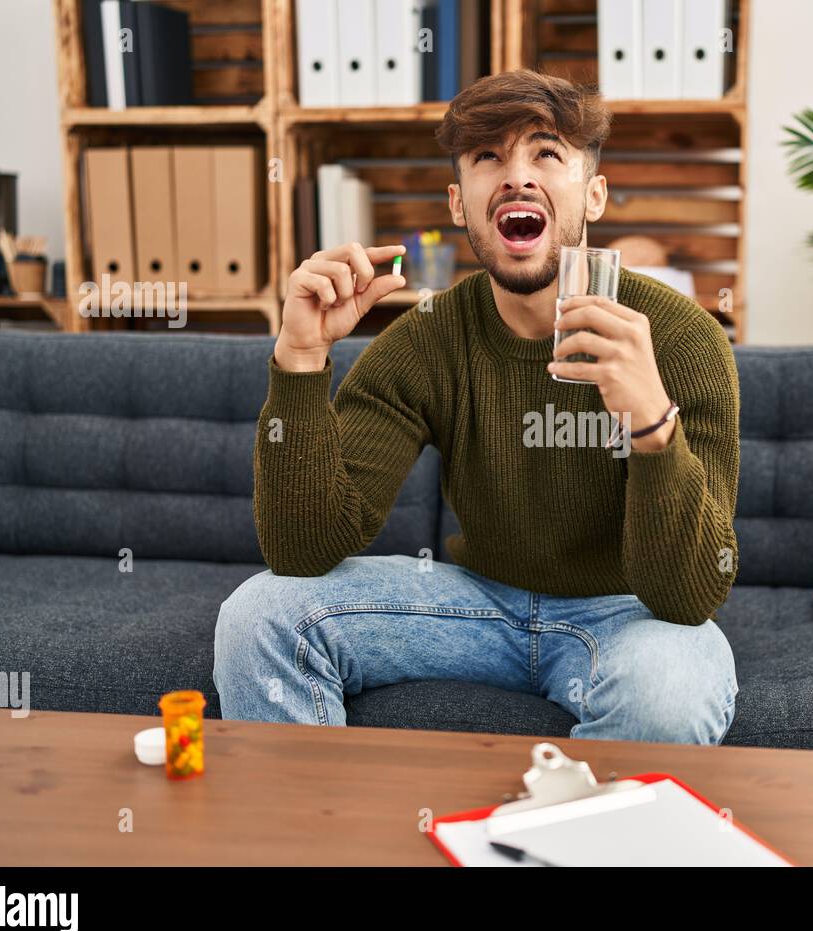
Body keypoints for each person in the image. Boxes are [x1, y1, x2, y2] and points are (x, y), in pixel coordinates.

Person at [213, 69, 741, 744]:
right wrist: (300, 360)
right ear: (461, 204)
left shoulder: (682, 338)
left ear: (595, 194)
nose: (517, 176)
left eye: (547, 153)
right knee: (261, 614)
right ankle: (318, 834)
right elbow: (303, 551)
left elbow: (690, 597)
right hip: (474, 603)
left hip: (628, 615)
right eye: (490, 156)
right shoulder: (429, 337)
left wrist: (651, 425)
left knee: (668, 693)